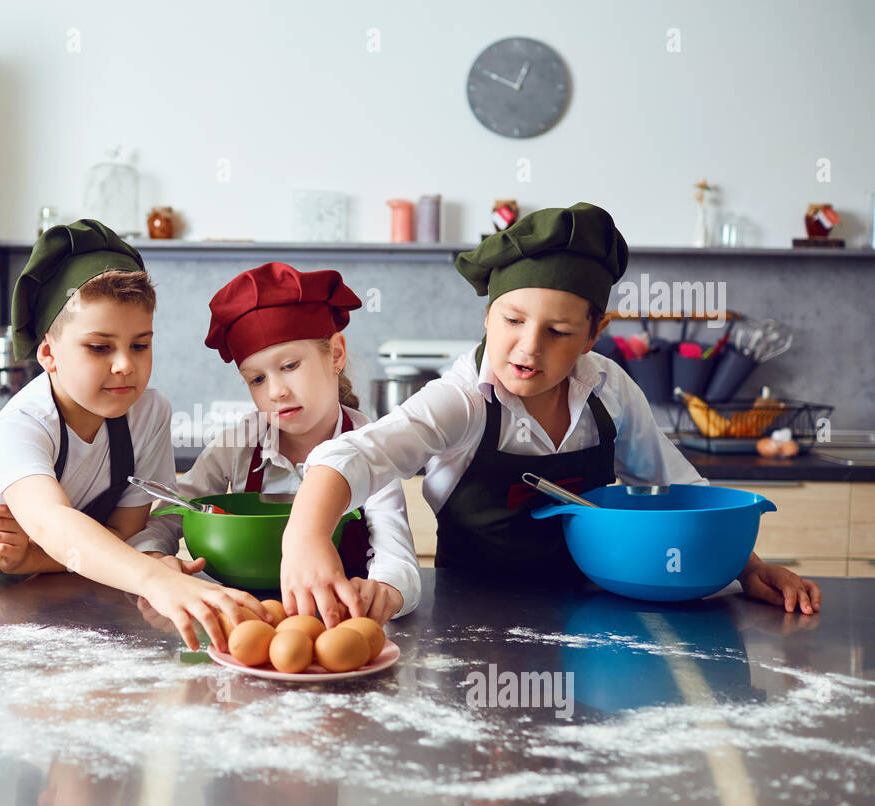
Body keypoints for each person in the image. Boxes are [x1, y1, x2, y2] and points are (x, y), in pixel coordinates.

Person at [279, 202, 822, 623]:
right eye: (513, 321)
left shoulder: (609, 389)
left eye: (558, 331)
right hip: (472, 621)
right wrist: (305, 538)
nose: (529, 347)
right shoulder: (463, 400)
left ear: (593, 334)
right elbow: (352, 455)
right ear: (488, 316)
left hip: (596, 616)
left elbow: (677, 489)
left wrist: (748, 569)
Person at [0, 218, 267, 648]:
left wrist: (34, 558)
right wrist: (154, 578)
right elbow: (51, 520)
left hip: (83, 591)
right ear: (48, 353)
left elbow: (126, 532)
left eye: (140, 345)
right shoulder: (22, 424)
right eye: (99, 347)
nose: (125, 365)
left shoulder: (148, 413)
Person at [129, 262, 420, 624]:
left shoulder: (372, 449)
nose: (276, 392)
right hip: (247, 620)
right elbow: (171, 513)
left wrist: (386, 590)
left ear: (336, 354)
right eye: (257, 379)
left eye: (290, 366)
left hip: (337, 621)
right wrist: (155, 560)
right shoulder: (239, 443)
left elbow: (398, 560)